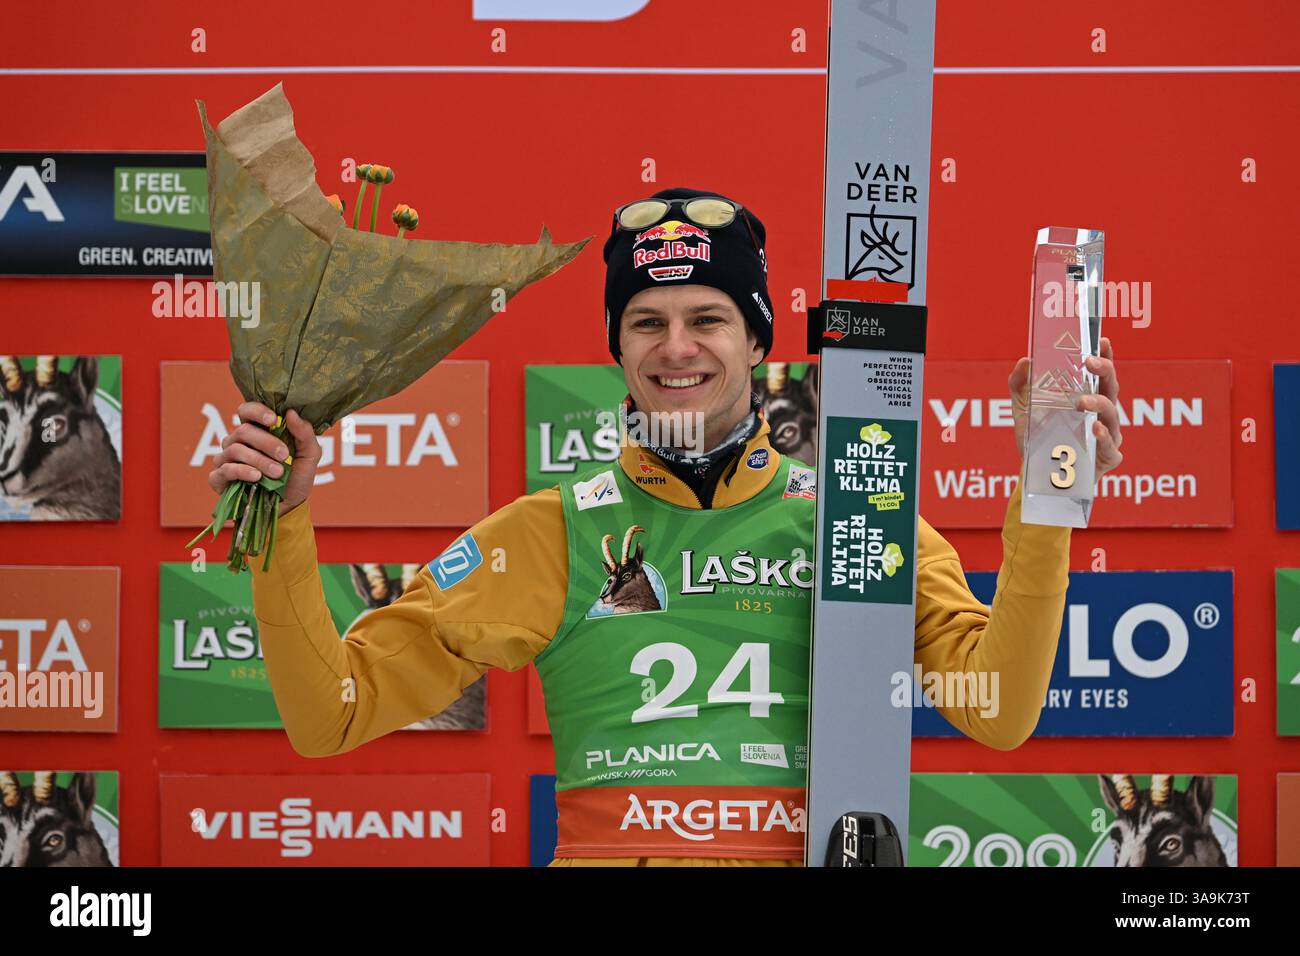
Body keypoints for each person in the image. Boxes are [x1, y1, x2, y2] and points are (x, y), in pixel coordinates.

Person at [208, 187, 1125, 866]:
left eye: (708, 319)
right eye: (645, 321)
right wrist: (283, 521)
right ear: (617, 347)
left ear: (760, 342)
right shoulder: (551, 531)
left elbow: (999, 714)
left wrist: (1047, 496)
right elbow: (332, 716)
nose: (675, 347)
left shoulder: (855, 518)